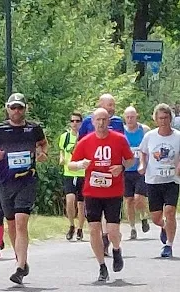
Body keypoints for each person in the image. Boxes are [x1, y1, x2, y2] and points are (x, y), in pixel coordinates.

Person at [0, 93, 48, 285]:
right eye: (13, 107)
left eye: (20, 107)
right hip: (6, 182)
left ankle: (20, 268)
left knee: (21, 222)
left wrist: (43, 153)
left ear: (25, 109)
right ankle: (21, 259)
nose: (17, 111)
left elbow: (43, 143)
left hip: (27, 180)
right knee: (11, 223)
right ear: (7, 108)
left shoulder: (33, 129)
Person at [68, 108, 134, 282]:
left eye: (104, 119)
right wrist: (80, 164)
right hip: (92, 191)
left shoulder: (119, 139)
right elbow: (71, 165)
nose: (101, 123)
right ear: (92, 122)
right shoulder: (85, 141)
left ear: (109, 121)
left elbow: (130, 159)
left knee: (112, 231)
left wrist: (121, 167)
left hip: (113, 191)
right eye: (98, 120)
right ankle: (102, 266)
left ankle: (116, 249)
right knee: (94, 230)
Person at [138, 103, 180, 258]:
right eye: (160, 118)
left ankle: (168, 245)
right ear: (155, 119)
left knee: (170, 211)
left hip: (172, 180)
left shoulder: (178, 136)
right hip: (153, 180)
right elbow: (143, 152)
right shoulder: (150, 136)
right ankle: (163, 226)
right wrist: (142, 164)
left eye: (166, 118)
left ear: (170, 118)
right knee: (156, 217)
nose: (163, 121)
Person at [122, 106, 150, 240]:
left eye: (132, 117)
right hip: (126, 170)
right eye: (127, 117)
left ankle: (143, 216)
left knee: (138, 197)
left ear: (136, 117)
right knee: (129, 200)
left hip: (140, 170)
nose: (130, 119)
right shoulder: (121, 131)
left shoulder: (144, 130)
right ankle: (132, 228)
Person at [59, 111, 86, 241]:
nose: (75, 123)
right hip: (69, 172)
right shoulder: (65, 137)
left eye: (77, 121)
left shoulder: (85, 137)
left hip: (83, 173)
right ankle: (71, 225)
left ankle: (80, 228)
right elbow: (62, 151)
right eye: (72, 121)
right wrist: (62, 158)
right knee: (70, 200)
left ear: (81, 123)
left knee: (81, 203)